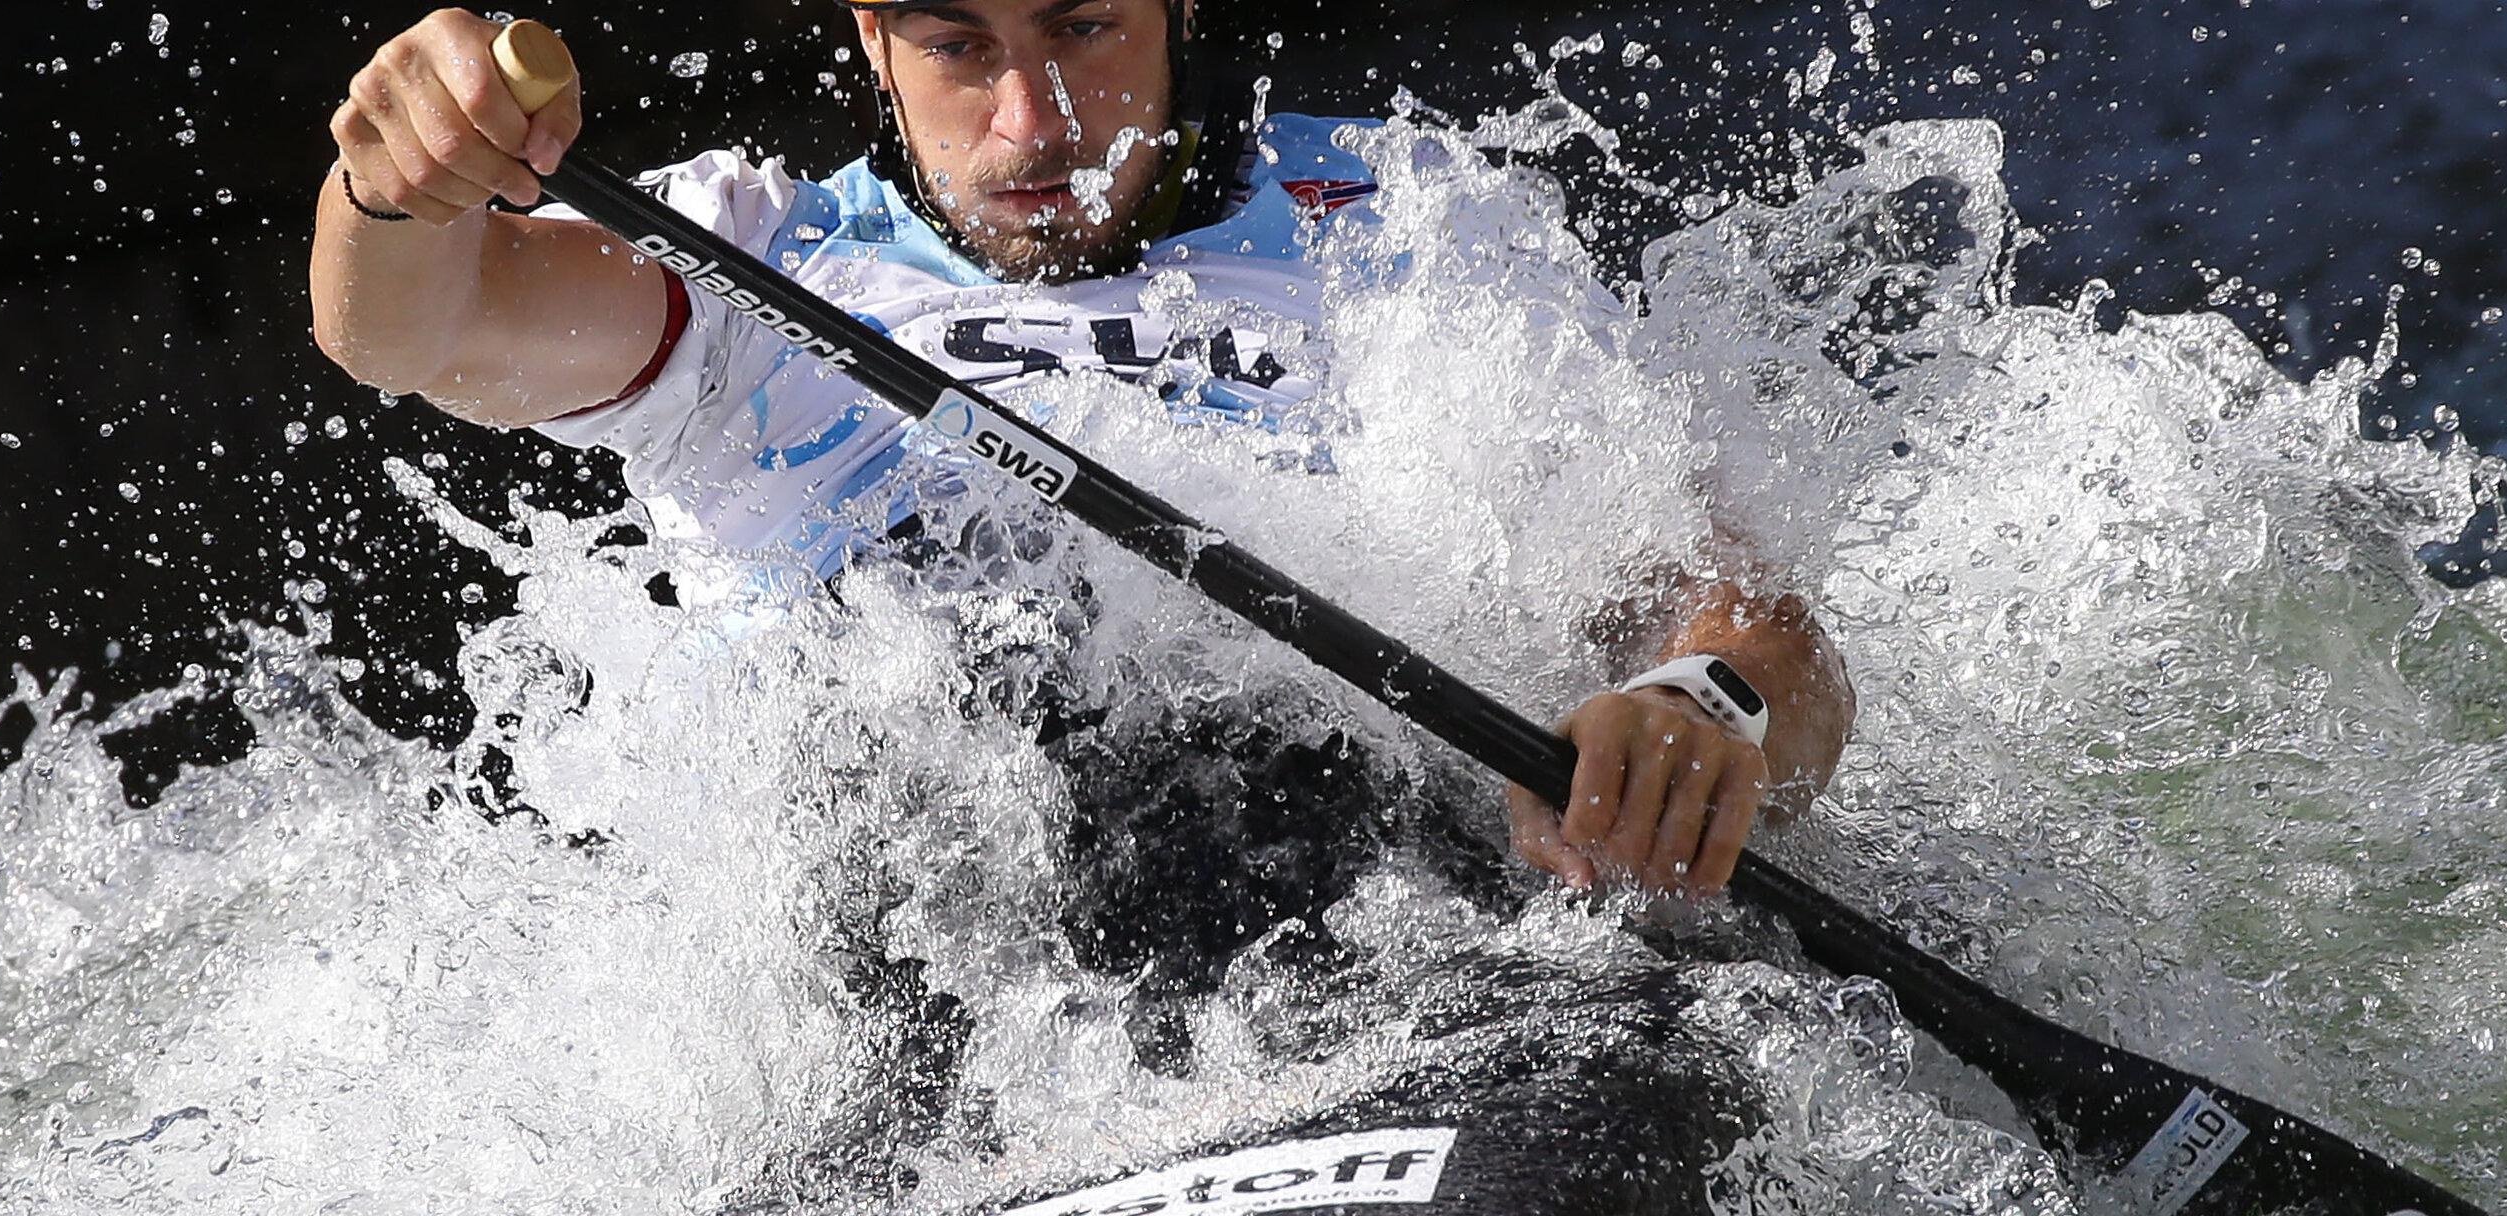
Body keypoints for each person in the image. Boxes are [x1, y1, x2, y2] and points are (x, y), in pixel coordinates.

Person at [313, 0, 1849, 902]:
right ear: (874, 38)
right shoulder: (738, 264)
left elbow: (1748, 624)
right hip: (912, 952)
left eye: (1084, 26)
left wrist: (1688, 708)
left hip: (1381, 909)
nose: (1029, 123)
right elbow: (407, 331)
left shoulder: (1403, 222)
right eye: (957, 44)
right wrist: (393, 191)